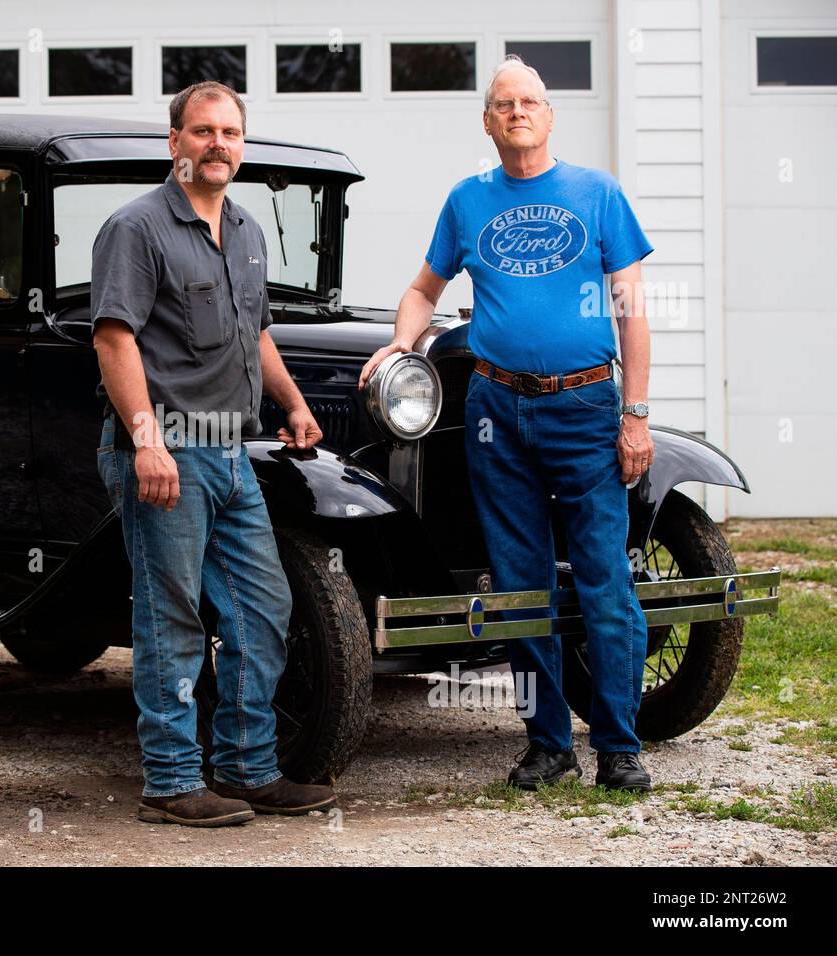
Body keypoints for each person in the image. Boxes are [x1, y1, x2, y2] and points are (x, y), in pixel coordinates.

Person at [359, 55, 656, 792]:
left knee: (603, 579)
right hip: (495, 409)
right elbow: (424, 287)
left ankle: (619, 747)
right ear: (488, 121)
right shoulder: (467, 200)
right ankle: (548, 745)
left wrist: (636, 415)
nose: (517, 111)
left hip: (586, 407)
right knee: (519, 583)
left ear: (549, 114)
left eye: (529, 101)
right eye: (503, 103)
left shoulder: (598, 194)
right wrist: (402, 339)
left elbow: (632, 310)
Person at [92, 81, 339, 825]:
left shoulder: (247, 231)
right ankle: (170, 783)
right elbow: (113, 338)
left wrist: (292, 403)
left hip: (231, 452)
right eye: (203, 131)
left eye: (230, 132)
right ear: (176, 143)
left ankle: (245, 767)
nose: (218, 144)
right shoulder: (136, 228)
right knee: (171, 617)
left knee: (264, 606)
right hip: (167, 448)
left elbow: (255, 332)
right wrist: (147, 442)